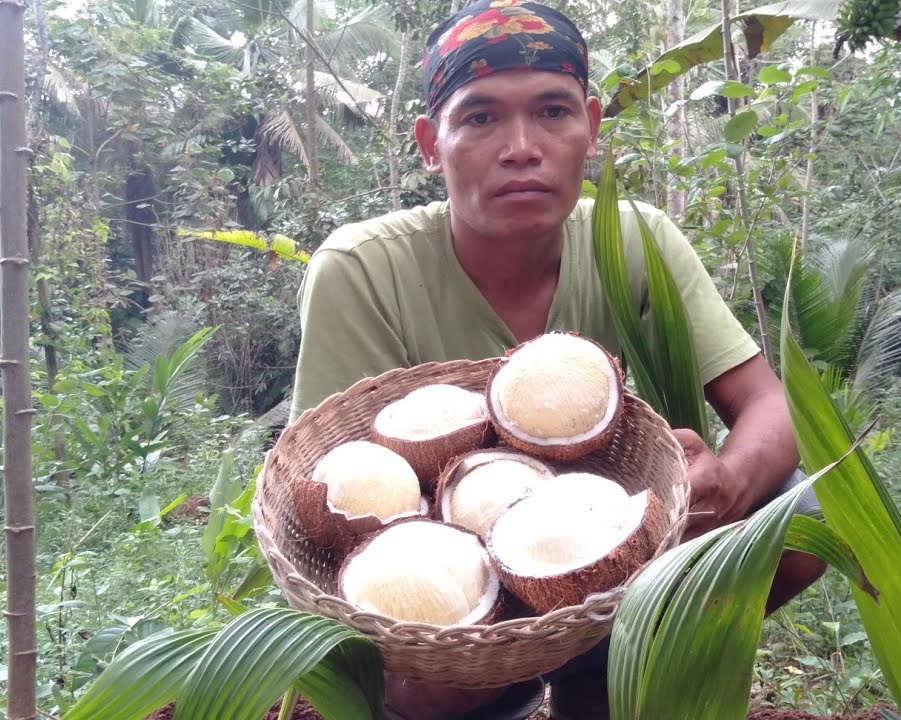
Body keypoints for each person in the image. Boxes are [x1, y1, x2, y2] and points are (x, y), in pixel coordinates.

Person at [288, 1, 826, 717]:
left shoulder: (636, 242)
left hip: (610, 562)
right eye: (479, 118)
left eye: (552, 112)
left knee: (808, 508)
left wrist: (726, 479)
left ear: (591, 128)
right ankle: (493, 692)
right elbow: (334, 493)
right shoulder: (362, 270)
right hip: (453, 592)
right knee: (417, 685)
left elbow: (770, 403)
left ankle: (608, 678)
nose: (521, 146)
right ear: (429, 143)